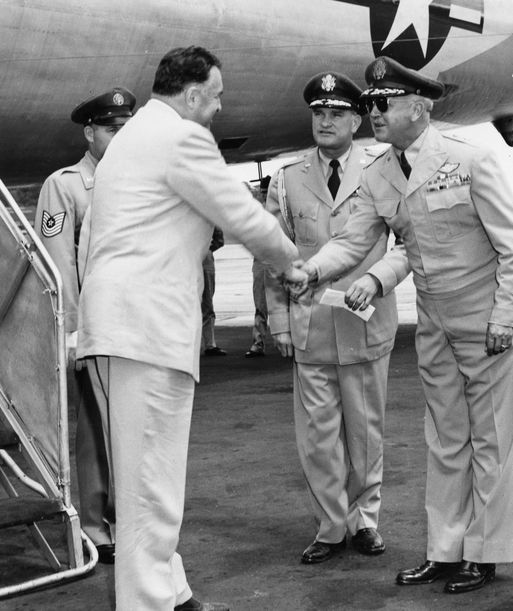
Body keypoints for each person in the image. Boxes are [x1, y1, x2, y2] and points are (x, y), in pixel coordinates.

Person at [77, 46, 305, 611]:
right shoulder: (180, 137)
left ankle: (172, 593)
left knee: (143, 475)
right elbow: (241, 211)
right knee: (150, 484)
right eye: (217, 95)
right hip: (147, 331)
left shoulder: (130, 138)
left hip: (119, 327)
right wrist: (291, 262)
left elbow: (93, 243)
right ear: (194, 93)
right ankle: (149, 604)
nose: (220, 108)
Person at [301, 56, 513, 594]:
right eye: (370, 104)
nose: (373, 112)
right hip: (435, 323)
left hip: (486, 320)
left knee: (493, 441)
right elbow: (356, 240)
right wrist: (308, 270)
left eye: (383, 103)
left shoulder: (468, 160)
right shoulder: (378, 172)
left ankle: (486, 552)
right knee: (446, 439)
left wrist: (505, 315)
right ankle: (444, 550)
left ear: (419, 108)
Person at [264, 71, 409, 564]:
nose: (324, 122)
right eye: (317, 114)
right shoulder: (286, 179)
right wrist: (278, 321)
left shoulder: (383, 168)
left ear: (355, 120)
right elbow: (273, 255)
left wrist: (380, 280)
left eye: (335, 114)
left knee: (366, 431)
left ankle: (365, 519)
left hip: (365, 321)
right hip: (310, 325)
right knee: (318, 436)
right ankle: (329, 525)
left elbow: (408, 243)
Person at [34, 86, 136, 565]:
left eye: (126, 128)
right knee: (96, 429)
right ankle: (97, 526)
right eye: (113, 129)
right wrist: (72, 331)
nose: (122, 137)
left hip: (135, 325)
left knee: (134, 426)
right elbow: (57, 264)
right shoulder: (67, 184)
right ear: (90, 132)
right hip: (93, 328)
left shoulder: (136, 178)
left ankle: (131, 517)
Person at [246, 176, 272, 357]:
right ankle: (258, 342)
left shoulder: (280, 210)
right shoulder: (257, 212)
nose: (264, 194)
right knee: (261, 304)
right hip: (262, 261)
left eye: (266, 190)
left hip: (275, 261)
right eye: (262, 191)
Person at [201, 226, 226, 356]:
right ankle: (209, 344)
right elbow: (219, 239)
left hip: (196, 258)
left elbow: (219, 238)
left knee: (206, 303)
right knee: (207, 304)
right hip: (204, 258)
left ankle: (208, 344)